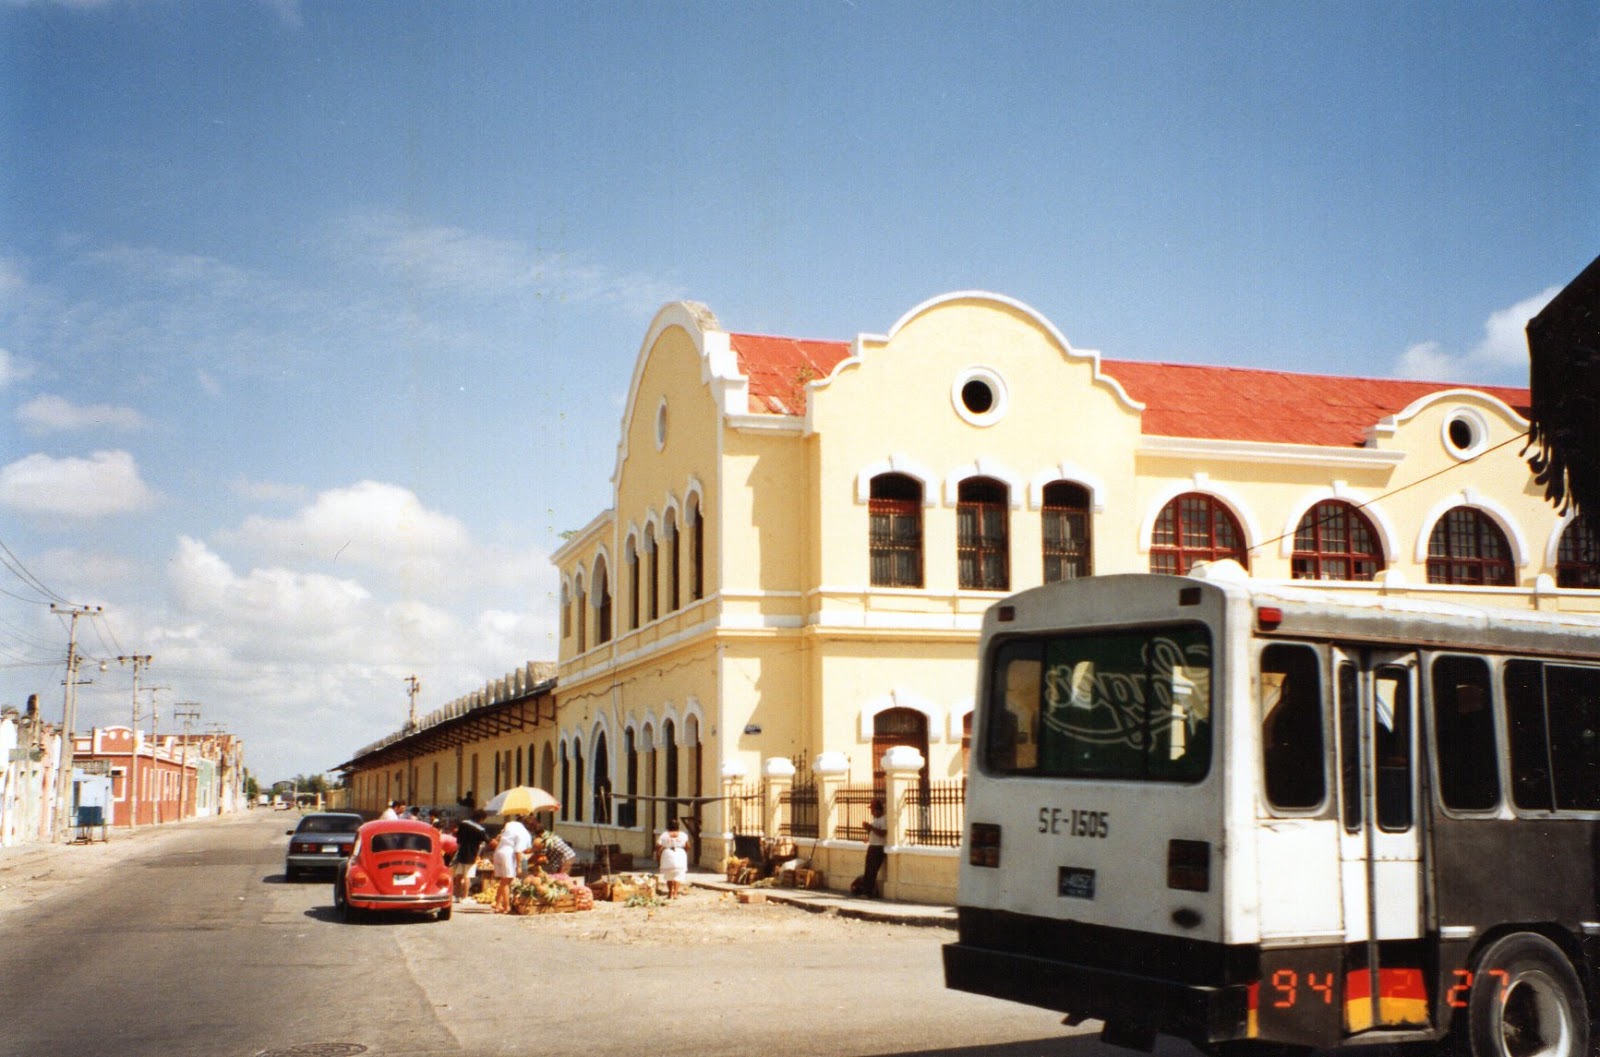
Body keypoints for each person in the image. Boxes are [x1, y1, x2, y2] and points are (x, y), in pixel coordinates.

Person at [452, 809, 489, 901]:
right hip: (472, 854)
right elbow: (487, 840)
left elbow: (458, 838)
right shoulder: (480, 829)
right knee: (467, 876)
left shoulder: (463, 823)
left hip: (461, 852)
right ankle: (465, 897)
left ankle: (456, 895)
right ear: (481, 818)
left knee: (459, 875)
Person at [656, 818, 690, 899]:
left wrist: (658, 853)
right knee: (678, 874)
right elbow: (688, 846)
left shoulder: (664, 835)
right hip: (680, 853)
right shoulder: (683, 835)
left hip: (668, 854)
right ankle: (675, 893)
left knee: (669, 874)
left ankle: (670, 893)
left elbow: (658, 845)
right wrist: (684, 851)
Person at [860, 799, 887, 899]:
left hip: (878, 848)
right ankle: (866, 891)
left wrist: (871, 828)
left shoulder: (884, 819)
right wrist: (868, 832)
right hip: (872, 846)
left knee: (872, 870)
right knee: (868, 870)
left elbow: (883, 833)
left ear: (878, 810)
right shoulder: (876, 819)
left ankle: (868, 893)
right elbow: (875, 832)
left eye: (873, 810)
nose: (871, 812)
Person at [489, 837, 516, 913]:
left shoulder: (503, 835)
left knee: (503, 882)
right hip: (507, 857)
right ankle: (506, 907)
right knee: (506, 881)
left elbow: (492, 842)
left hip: (501, 855)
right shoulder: (511, 835)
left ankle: (498, 904)